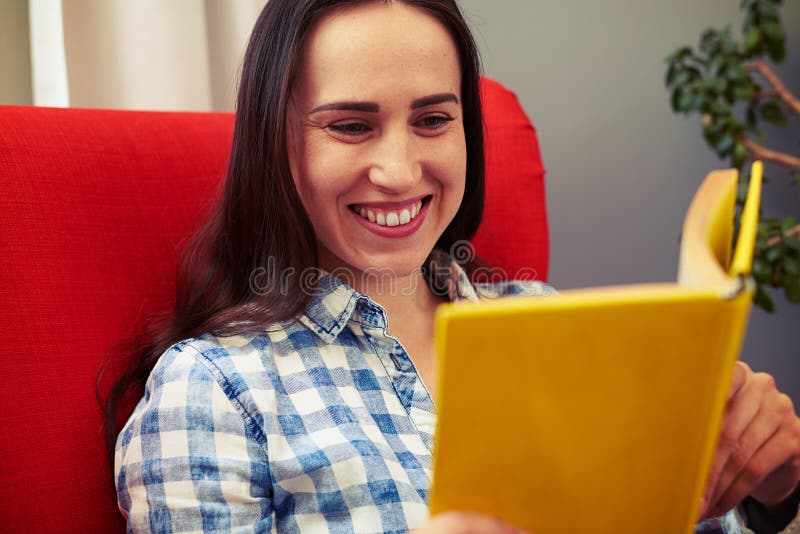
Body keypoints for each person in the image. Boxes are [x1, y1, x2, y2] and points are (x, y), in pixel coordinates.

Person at [110, 0, 800, 532]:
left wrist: (769, 488)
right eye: (351, 126)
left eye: (434, 120)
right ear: (276, 142)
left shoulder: (548, 319)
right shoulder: (213, 390)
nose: (401, 170)